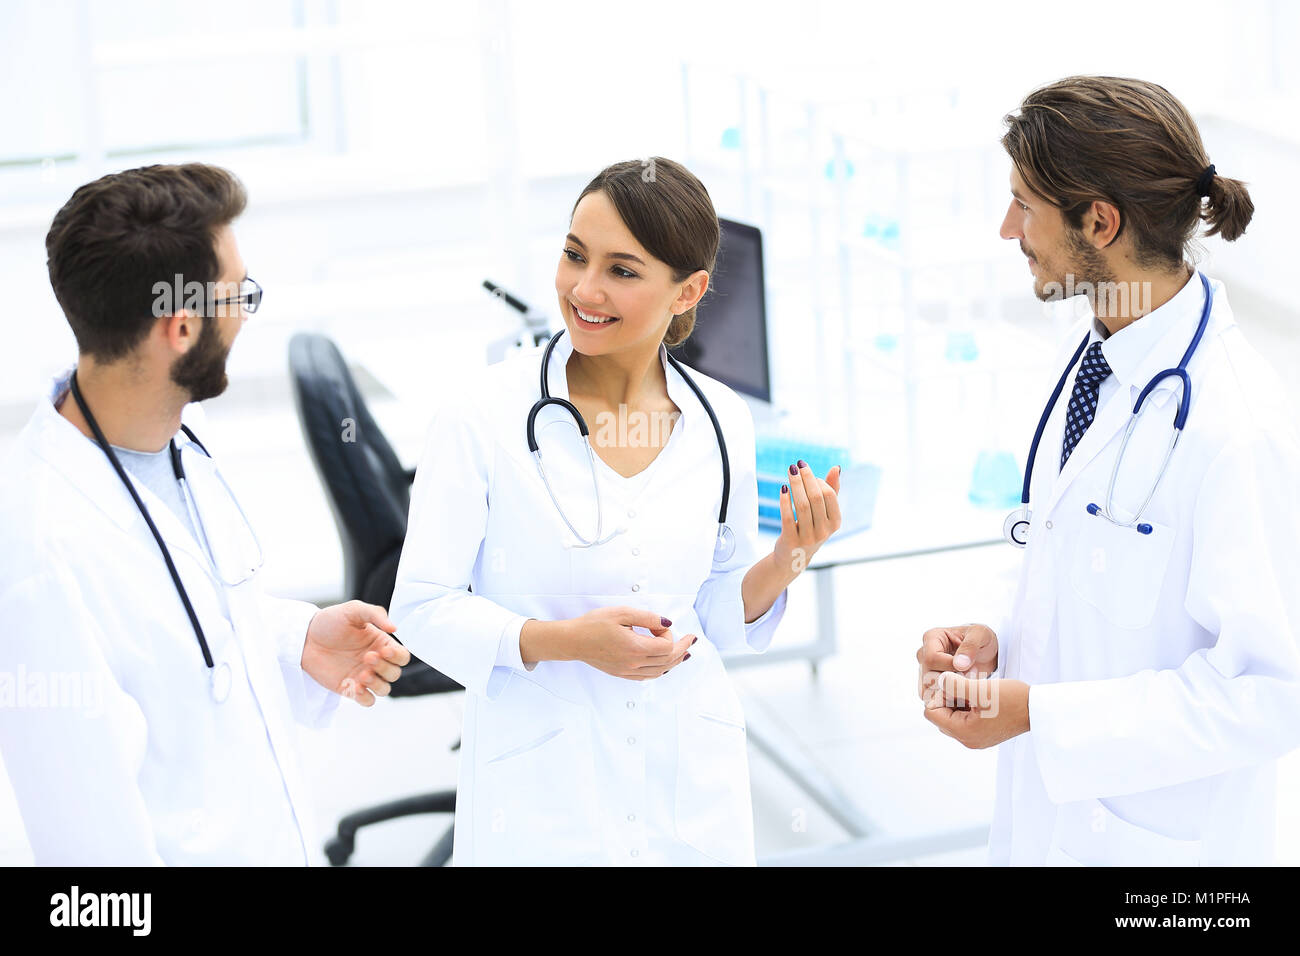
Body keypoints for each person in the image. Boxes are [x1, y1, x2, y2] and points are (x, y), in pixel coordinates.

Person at [391, 157, 841, 866]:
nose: (584, 289)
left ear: (687, 291)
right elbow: (420, 608)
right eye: (574, 255)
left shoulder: (720, 421)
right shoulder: (481, 416)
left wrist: (790, 556)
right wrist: (565, 640)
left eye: (622, 271)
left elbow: (716, 610)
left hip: (687, 778)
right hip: (543, 793)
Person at [917, 76, 1300, 865]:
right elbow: (1085, 557)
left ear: (1099, 220)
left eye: (1024, 205)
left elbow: (1272, 694)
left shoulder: (1238, 425)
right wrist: (1002, 640)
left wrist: (1041, 716)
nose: (1005, 229)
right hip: (1058, 827)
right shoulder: (1103, 352)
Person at [0, 163, 411, 865]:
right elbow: (87, 850)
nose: (248, 312)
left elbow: (184, 629)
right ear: (183, 327)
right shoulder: (43, 550)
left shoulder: (169, 440)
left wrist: (295, 638)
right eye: (239, 294)